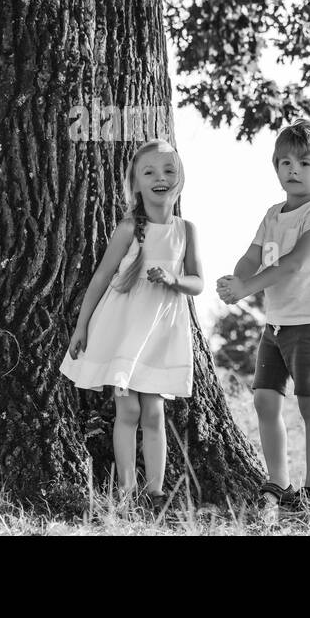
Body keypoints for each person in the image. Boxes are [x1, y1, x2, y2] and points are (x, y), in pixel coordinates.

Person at [60, 139, 203, 511]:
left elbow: (197, 282)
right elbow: (101, 278)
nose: (160, 178)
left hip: (159, 335)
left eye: (169, 170)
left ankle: (155, 491)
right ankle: (125, 489)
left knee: (154, 412)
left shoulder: (185, 230)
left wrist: (173, 280)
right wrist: (81, 326)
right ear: (135, 183)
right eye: (149, 172)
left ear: (181, 179)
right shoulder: (129, 229)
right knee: (129, 411)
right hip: (124, 332)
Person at [217, 119, 310, 510]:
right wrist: (234, 283)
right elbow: (253, 256)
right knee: (265, 402)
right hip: (275, 326)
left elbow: (293, 263)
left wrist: (247, 289)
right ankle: (278, 482)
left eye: (304, 163)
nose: (293, 170)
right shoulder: (273, 213)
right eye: (285, 162)